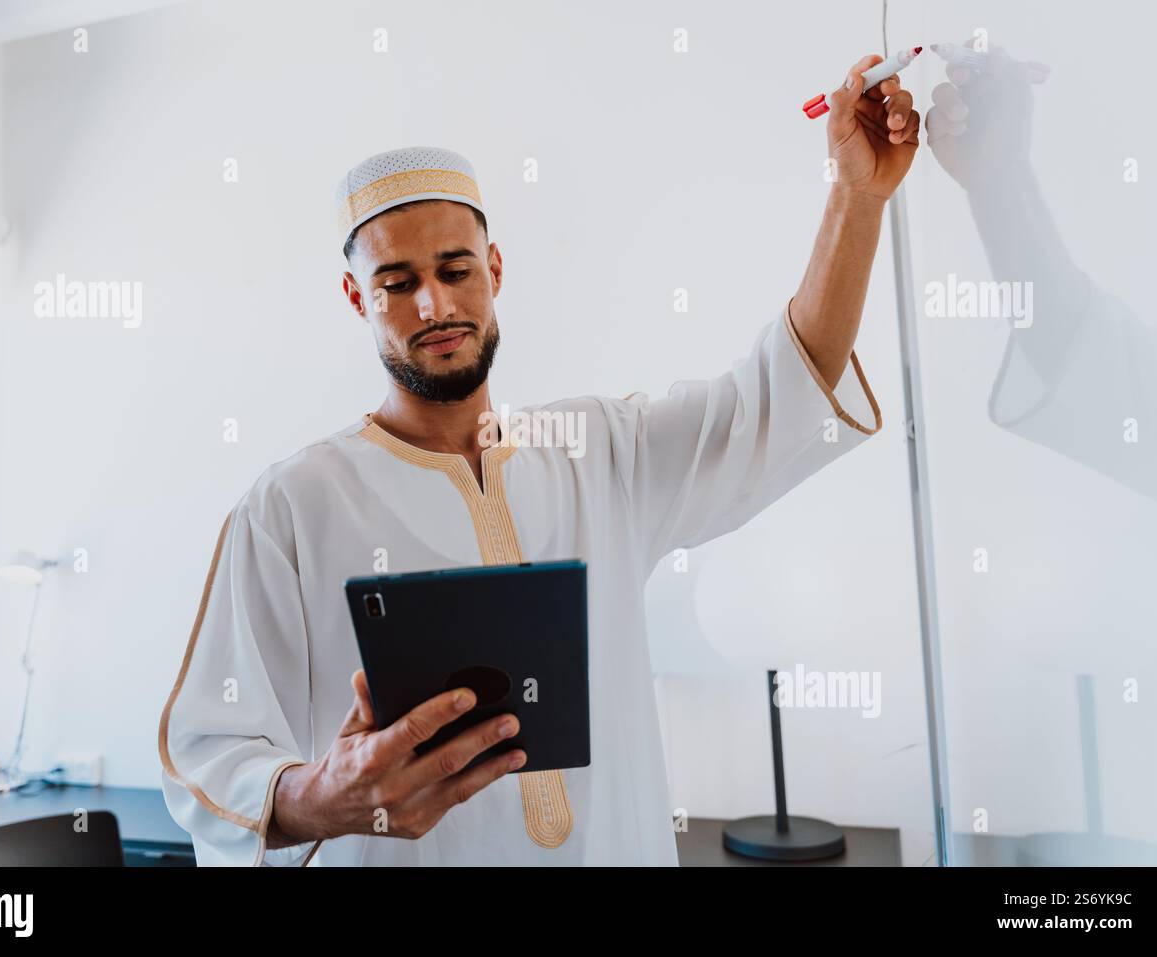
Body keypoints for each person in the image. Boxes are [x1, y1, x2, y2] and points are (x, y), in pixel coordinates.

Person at [160, 54, 918, 865]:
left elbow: (788, 386)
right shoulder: (291, 507)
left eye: (455, 270)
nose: (435, 305)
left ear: (494, 270)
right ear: (358, 298)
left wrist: (858, 194)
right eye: (397, 282)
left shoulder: (603, 453)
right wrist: (323, 797)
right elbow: (206, 756)